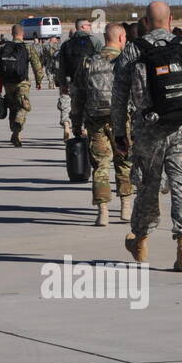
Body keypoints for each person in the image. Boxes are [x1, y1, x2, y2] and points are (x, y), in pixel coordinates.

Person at [112, 1, 182, 272]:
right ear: (171, 19)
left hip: (149, 131)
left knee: (148, 187)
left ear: (145, 22)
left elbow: (119, 97)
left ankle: (141, 241)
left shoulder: (133, 50)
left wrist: (119, 133)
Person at [72, 22, 133, 225]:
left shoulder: (89, 62)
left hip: (95, 119)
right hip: (122, 120)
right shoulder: (126, 62)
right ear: (121, 38)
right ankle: (126, 207)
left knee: (100, 165)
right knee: (124, 162)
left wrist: (75, 122)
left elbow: (78, 95)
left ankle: (103, 211)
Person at [0, 24, 45, 146]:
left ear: (12, 33)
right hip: (22, 83)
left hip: (7, 83)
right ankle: (18, 126)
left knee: (12, 107)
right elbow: (37, 66)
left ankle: (15, 133)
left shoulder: (2, 48)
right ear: (23, 34)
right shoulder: (27, 48)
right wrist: (39, 81)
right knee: (24, 106)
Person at [59, 18, 102, 142]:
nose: (90, 27)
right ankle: (88, 131)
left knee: (76, 107)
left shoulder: (66, 44)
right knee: (90, 107)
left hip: (73, 82)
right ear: (82, 27)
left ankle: (77, 132)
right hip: (91, 81)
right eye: (88, 25)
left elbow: (61, 67)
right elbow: (101, 62)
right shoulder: (94, 41)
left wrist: (62, 84)